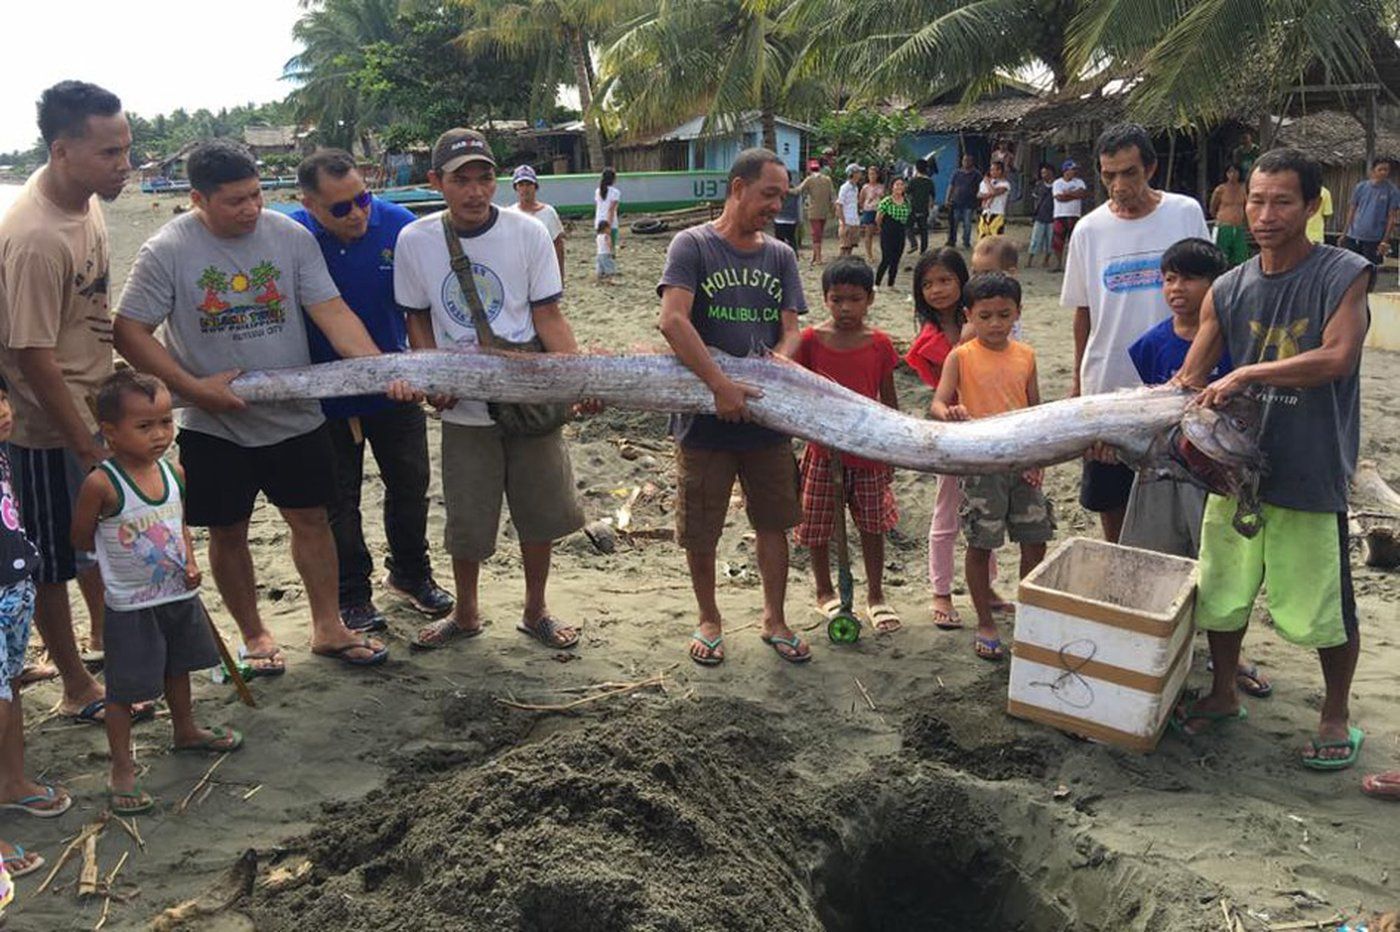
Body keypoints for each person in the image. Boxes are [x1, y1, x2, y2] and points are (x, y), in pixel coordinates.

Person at [114, 139, 397, 673]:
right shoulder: (167, 250)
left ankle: (328, 626)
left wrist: (380, 369)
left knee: (312, 518)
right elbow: (129, 331)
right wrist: (194, 389)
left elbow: (331, 312)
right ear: (198, 198)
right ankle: (255, 635)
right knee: (228, 529)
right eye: (234, 201)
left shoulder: (288, 236)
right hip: (212, 422)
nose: (250, 210)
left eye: (256, 196)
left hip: (295, 413)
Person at [1171, 148, 1370, 773]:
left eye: (1282, 201)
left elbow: (1337, 357)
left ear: (1313, 206)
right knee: (1222, 593)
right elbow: (1189, 378)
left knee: (1324, 603)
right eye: (1256, 200)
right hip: (1235, 473)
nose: (1264, 213)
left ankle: (1335, 713)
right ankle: (1224, 691)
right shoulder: (1228, 288)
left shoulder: (1344, 273)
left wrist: (1251, 369)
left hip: (1310, 465)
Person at [394, 128, 590, 652]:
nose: (475, 191)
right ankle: (466, 611)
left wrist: (574, 379)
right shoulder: (416, 241)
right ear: (437, 182)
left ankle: (535, 609)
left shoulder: (527, 235)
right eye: (462, 180)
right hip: (464, 411)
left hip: (528, 401)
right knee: (468, 517)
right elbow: (417, 320)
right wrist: (434, 376)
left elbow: (548, 314)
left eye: (485, 178)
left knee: (539, 512)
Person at [0, 80, 131, 725]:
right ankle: (77, 685)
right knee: (50, 558)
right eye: (110, 154)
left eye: (126, 149)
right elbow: (31, 356)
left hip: (95, 404)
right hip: (45, 429)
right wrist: (84, 442)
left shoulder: (86, 199)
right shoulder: (32, 236)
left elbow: (87, 307)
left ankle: (104, 639)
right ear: (62, 151)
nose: (124, 165)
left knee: (101, 541)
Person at [657, 147, 810, 666]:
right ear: (738, 187)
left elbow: (790, 330)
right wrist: (721, 386)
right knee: (701, 526)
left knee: (774, 520)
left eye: (782, 197)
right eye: (769, 194)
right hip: (704, 419)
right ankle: (710, 618)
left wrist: (778, 365)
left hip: (766, 419)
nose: (776, 206)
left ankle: (775, 618)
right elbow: (673, 321)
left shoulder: (781, 255)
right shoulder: (692, 245)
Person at [290, 149, 453, 633]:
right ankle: (352, 594)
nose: (358, 213)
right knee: (339, 499)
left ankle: (410, 573)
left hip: (395, 387)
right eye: (340, 208)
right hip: (326, 396)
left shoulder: (400, 226)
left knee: (410, 485)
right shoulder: (292, 238)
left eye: (362, 198)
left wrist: (424, 368)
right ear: (310, 205)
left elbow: (419, 309)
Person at [71, 371, 242, 815]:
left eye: (165, 422)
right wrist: (119, 560)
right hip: (130, 604)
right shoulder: (102, 483)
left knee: (179, 666)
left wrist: (190, 561)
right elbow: (80, 537)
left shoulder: (174, 472)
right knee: (124, 689)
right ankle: (122, 767)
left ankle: (185, 729)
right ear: (110, 432)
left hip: (176, 595)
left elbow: (178, 525)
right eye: (144, 426)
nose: (159, 435)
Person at [1119, 238, 1272, 700]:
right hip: (1163, 474)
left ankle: (1228, 654)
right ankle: (1154, 644)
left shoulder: (1242, 343)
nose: (1177, 288)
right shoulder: (1148, 345)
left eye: (1190, 278)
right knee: (1156, 558)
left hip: (1221, 479)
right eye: (1169, 279)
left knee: (1223, 570)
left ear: (1217, 288)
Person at [1060, 122, 1209, 542]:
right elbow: (1083, 313)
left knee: (1184, 488)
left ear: (1151, 168)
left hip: (1178, 378)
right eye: (1109, 175)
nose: (1118, 184)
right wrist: (1078, 382)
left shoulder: (1185, 213)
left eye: (1129, 172)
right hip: (1108, 380)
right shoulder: (1088, 230)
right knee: (1110, 494)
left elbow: (1209, 294)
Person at [931, 273, 1053, 661]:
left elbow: (1035, 410)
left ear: (1018, 313)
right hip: (981, 464)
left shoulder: (1027, 355)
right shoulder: (961, 356)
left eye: (1004, 315)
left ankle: (1030, 614)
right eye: (985, 316)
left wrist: (1038, 460)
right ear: (969, 316)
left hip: (1022, 462)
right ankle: (984, 620)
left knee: (1035, 538)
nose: (996, 324)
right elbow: (937, 403)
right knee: (981, 542)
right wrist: (950, 412)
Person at [792, 257, 902, 633]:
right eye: (837, 299)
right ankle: (824, 591)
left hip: (868, 451)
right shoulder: (810, 340)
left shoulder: (879, 344)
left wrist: (890, 448)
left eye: (854, 299)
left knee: (872, 525)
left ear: (869, 299)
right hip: (823, 452)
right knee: (817, 525)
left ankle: (875, 595)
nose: (845, 308)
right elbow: (799, 392)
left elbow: (889, 400)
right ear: (825, 299)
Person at [904, 249, 1010, 629]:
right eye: (928, 283)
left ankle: (987, 587)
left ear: (963, 280)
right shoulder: (927, 342)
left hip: (991, 427)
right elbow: (942, 395)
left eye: (945, 280)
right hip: (952, 431)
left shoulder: (988, 320)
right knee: (947, 511)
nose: (937, 289)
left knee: (987, 511)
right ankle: (941, 590)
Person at [0, 376, 75, 880]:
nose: (2, 410)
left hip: (11, 583)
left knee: (9, 688)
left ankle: (11, 781)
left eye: (1, 396)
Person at [506, 165, 565, 279]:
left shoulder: (548, 212)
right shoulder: (510, 214)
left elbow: (558, 245)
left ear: (535, 187)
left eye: (529, 184)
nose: (525, 188)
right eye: (521, 185)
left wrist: (560, 275)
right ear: (516, 188)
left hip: (543, 272)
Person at [1338, 158, 1399, 267]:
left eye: (1386, 170)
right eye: (1380, 169)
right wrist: (1344, 234)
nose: (1384, 172)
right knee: (1350, 267)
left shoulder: (1392, 191)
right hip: (1354, 235)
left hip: (1374, 238)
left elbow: (1392, 218)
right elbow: (1352, 211)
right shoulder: (1361, 187)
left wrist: (1385, 241)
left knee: (1370, 269)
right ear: (1373, 171)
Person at [794, 159, 835, 266]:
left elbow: (798, 190)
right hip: (824, 210)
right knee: (819, 234)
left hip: (814, 210)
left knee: (815, 235)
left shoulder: (809, 180)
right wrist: (833, 209)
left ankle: (818, 258)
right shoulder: (827, 180)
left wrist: (786, 189)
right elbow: (832, 195)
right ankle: (815, 256)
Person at [1051, 159, 1088, 271]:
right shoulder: (1057, 183)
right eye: (1072, 169)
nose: (1074, 172)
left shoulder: (1079, 181)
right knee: (1058, 241)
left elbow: (1083, 194)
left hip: (1074, 215)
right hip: (1060, 215)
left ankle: (1073, 264)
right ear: (1066, 171)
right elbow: (1059, 198)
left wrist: (1068, 194)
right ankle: (1058, 264)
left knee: (1074, 241)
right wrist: (1074, 195)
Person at [874, 177, 910, 287]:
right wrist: (880, 228)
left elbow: (907, 217)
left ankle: (891, 284)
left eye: (901, 185)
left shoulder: (907, 202)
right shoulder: (887, 201)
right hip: (887, 232)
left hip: (900, 232)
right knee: (886, 258)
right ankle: (877, 283)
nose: (899, 187)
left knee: (896, 258)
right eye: (897, 184)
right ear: (892, 187)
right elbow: (878, 218)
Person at [1210, 165, 1249, 266]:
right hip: (1223, 227)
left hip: (1239, 227)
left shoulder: (1244, 189)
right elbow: (1213, 208)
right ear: (1226, 174)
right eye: (1230, 172)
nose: (1232, 175)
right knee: (1221, 258)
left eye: (1235, 172)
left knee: (1240, 258)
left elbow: (1247, 206)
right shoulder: (1220, 189)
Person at [945, 155, 981, 248]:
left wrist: (979, 202)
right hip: (956, 202)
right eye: (964, 160)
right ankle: (952, 241)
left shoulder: (976, 174)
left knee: (967, 224)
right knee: (954, 223)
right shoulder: (956, 173)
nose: (966, 162)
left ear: (972, 162)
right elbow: (951, 186)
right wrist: (947, 199)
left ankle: (966, 241)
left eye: (968, 160)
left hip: (969, 203)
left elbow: (981, 187)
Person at [906, 158, 935, 256]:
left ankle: (913, 243)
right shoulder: (929, 182)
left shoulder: (913, 181)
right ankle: (923, 250)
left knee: (908, 226)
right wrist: (930, 206)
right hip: (924, 209)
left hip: (913, 208)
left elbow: (907, 193)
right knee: (923, 229)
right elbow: (932, 196)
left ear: (917, 168)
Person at [1028, 163, 1056, 268]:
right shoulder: (1039, 185)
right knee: (1035, 239)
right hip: (1040, 215)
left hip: (1052, 216)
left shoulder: (1057, 184)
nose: (1043, 175)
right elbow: (1036, 199)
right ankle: (1030, 260)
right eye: (1042, 173)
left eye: (1045, 172)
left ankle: (1046, 260)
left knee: (1050, 241)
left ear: (1051, 172)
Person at [977, 161, 1010, 240]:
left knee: (996, 238)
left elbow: (995, 192)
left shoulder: (1005, 184)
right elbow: (979, 195)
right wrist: (990, 194)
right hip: (986, 212)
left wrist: (988, 183)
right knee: (983, 236)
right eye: (991, 170)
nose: (992, 172)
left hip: (997, 213)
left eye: (994, 170)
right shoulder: (984, 183)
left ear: (1000, 171)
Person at [858, 165, 885, 263]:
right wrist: (864, 208)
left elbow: (885, 200)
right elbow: (861, 200)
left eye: (874, 174)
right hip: (868, 211)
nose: (872, 176)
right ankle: (869, 254)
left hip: (879, 211)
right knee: (868, 233)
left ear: (878, 175)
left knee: (882, 232)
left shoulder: (881, 187)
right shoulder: (865, 187)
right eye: (870, 174)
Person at [836, 163, 863, 257]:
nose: (860, 174)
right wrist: (843, 223)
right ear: (853, 173)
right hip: (847, 221)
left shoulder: (855, 188)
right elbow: (839, 205)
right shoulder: (845, 188)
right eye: (858, 172)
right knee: (844, 247)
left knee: (851, 246)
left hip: (854, 220)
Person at [594, 167, 621, 254]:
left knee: (601, 248)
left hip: (599, 222)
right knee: (610, 248)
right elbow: (611, 210)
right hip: (610, 223)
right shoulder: (615, 192)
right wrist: (608, 225)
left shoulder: (598, 191)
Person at [773, 173, 801, 251]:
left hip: (779, 219)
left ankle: (780, 258)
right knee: (791, 240)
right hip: (792, 220)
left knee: (779, 242)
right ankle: (793, 257)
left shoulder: (777, 190)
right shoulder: (795, 190)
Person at [594, 219, 617, 283]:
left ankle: (598, 279)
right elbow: (609, 244)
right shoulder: (607, 236)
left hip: (599, 254)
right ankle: (610, 279)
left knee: (600, 266)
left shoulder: (598, 236)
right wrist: (612, 251)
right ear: (605, 228)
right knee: (609, 265)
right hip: (606, 253)